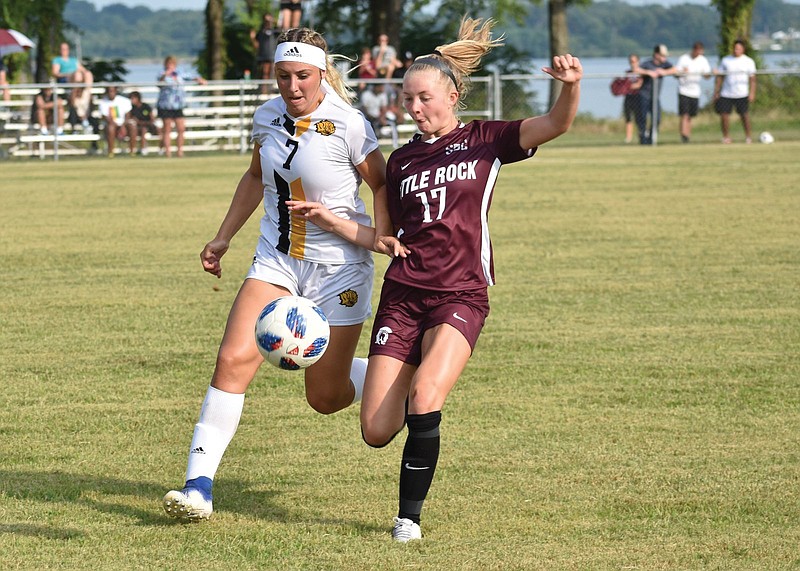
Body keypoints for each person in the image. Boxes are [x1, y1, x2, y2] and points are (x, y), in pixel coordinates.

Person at [289, 16, 581, 543]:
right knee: (376, 430)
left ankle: (408, 520)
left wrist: (571, 87)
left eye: (424, 97)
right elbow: (383, 238)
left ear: (452, 94)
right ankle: (408, 360)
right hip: (403, 297)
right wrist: (332, 221)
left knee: (425, 397)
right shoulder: (400, 162)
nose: (415, 108)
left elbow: (555, 124)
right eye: (407, 100)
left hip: (460, 294)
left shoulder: (487, 139)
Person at [162, 26, 398, 523]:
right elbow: (255, 176)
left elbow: (381, 183)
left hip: (338, 271)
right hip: (276, 258)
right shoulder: (266, 116)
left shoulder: (349, 124)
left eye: (303, 76)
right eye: (282, 76)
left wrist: (378, 236)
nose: (292, 87)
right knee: (232, 358)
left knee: (325, 397)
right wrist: (223, 236)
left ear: (321, 75)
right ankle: (197, 488)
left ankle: (385, 375)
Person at [156, 55, 206, 157]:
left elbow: (191, 76)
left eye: (172, 63)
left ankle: (179, 151)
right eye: (169, 63)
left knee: (181, 128)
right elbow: (159, 83)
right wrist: (166, 74)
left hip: (178, 104)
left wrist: (199, 80)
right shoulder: (162, 73)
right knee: (167, 129)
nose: (171, 66)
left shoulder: (179, 73)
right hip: (166, 105)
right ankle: (168, 152)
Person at [713, 39, 756, 144]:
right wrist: (717, 91)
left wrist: (752, 93)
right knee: (724, 115)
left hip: (742, 93)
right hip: (727, 93)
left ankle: (748, 137)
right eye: (735, 48)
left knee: (744, 115)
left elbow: (753, 79)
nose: (736, 50)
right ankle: (726, 137)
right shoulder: (726, 60)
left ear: (743, 49)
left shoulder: (748, 61)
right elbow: (720, 77)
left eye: (739, 48)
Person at [635, 44, 676, 145]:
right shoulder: (647, 63)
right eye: (662, 56)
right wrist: (648, 72)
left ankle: (651, 138)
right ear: (656, 55)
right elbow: (636, 69)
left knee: (657, 119)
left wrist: (664, 72)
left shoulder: (664, 64)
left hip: (655, 97)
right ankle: (643, 139)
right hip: (644, 95)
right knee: (642, 118)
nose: (664, 58)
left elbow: (675, 69)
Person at [676, 41, 712, 143]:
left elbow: (707, 75)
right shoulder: (684, 58)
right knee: (684, 114)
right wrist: (683, 72)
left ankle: (688, 135)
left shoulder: (703, 60)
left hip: (695, 91)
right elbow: (676, 73)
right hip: (683, 90)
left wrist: (710, 73)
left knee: (690, 115)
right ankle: (684, 136)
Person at [98, 86, 132, 157]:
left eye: (112, 91)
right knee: (111, 128)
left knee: (133, 126)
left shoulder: (124, 100)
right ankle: (111, 152)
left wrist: (123, 125)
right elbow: (106, 118)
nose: (111, 93)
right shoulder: (103, 102)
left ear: (116, 91)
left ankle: (132, 151)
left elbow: (127, 115)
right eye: (109, 91)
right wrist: (118, 126)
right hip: (111, 125)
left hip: (124, 123)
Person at [251, 13, 279, 94]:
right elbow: (257, 45)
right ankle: (264, 91)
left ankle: (272, 90)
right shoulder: (261, 32)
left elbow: (281, 31)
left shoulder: (275, 31)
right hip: (264, 56)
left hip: (273, 56)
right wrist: (252, 38)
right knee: (265, 73)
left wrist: (275, 22)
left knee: (274, 73)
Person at [126, 91, 158, 155]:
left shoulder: (146, 107)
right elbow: (128, 119)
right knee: (134, 129)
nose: (131, 101)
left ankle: (143, 150)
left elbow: (152, 120)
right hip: (136, 128)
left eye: (133, 98)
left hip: (148, 127)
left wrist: (140, 122)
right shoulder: (131, 109)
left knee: (144, 129)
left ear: (138, 98)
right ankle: (132, 150)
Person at [622, 54, 643, 144]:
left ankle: (641, 135)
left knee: (639, 118)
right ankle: (628, 137)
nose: (632, 63)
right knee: (628, 118)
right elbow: (624, 84)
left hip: (638, 97)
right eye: (631, 61)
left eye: (634, 61)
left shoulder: (641, 72)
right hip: (628, 97)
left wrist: (629, 86)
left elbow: (639, 84)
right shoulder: (627, 72)